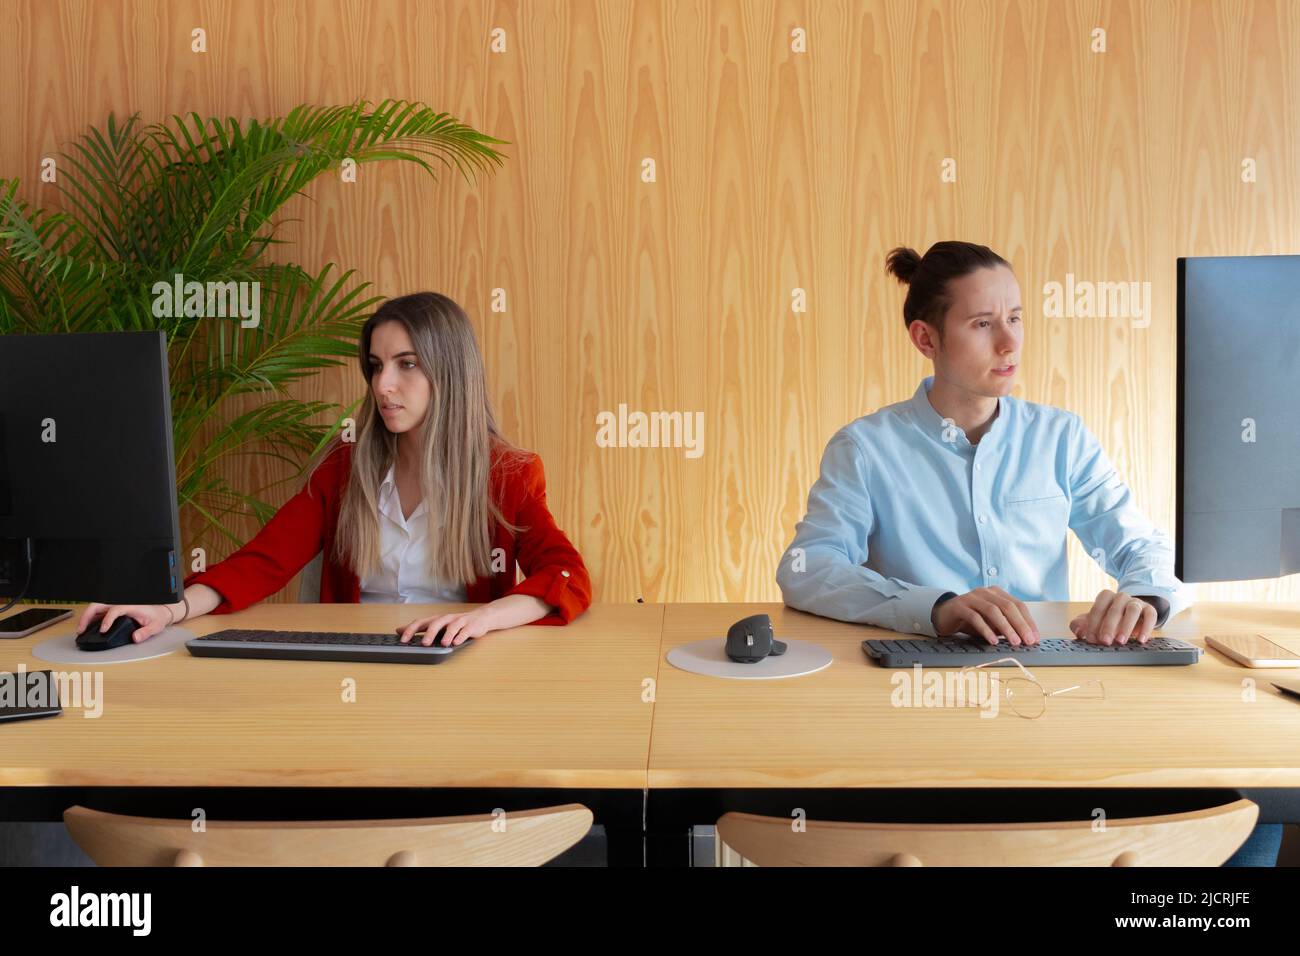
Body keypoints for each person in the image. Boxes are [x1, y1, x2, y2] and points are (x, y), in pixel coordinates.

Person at [776, 240, 1278, 865]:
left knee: (1248, 807)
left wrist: (1144, 598)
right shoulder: (866, 447)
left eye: (1015, 318)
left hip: (1057, 715)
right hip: (919, 726)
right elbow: (807, 568)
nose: (1009, 344)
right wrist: (934, 607)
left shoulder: (1061, 438)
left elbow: (1143, 547)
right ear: (924, 339)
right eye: (983, 324)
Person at [77, 291, 591, 647]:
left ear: (451, 372)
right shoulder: (342, 469)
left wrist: (481, 620)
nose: (382, 384)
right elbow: (261, 563)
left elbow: (566, 575)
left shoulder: (508, 475)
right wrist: (167, 610)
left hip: (463, 666)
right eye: (375, 365)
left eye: (406, 364)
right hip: (352, 664)